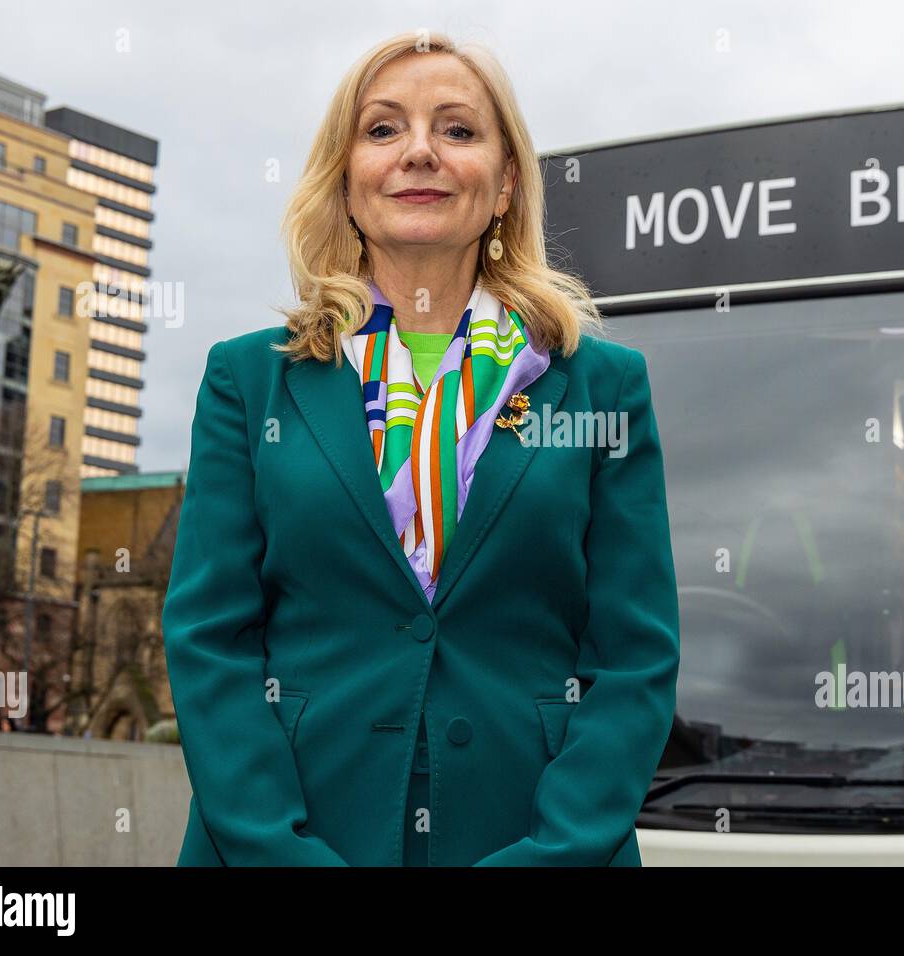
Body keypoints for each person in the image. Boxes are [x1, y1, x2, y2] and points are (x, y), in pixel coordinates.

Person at [161, 30, 681, 866]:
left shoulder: (602, 386)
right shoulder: (247, 381)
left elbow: (635, 657)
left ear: (507, 183)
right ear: (346, 178)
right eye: (382, 129)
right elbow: (208, 640)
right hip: (289, 835)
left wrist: (552, 854)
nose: (419, 153)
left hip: (535, 837)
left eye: (458, 130)